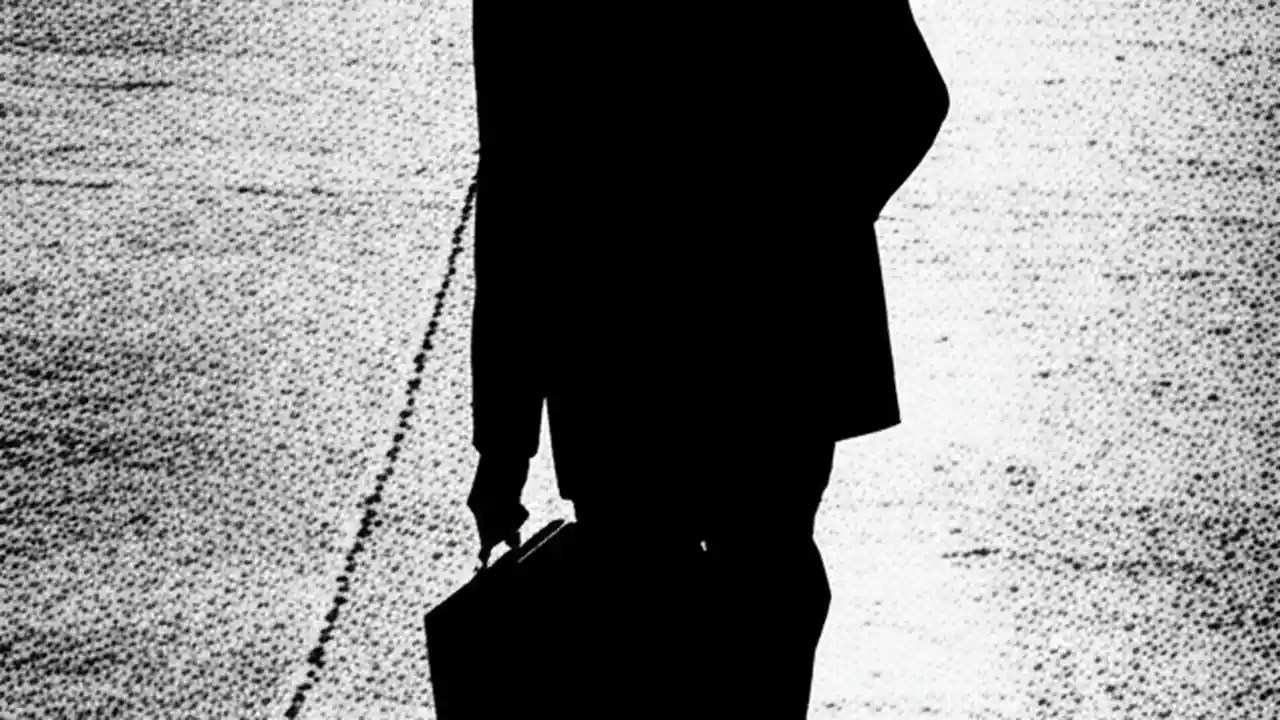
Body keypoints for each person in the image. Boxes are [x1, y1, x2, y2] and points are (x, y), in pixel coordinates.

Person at [464, 2, 949, 717]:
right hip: (773, 342)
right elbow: (910, 97)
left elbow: (517, 177)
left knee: (639, 616)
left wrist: (504, 443)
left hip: (612, 350)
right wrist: (797, 230)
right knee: (766, 594)